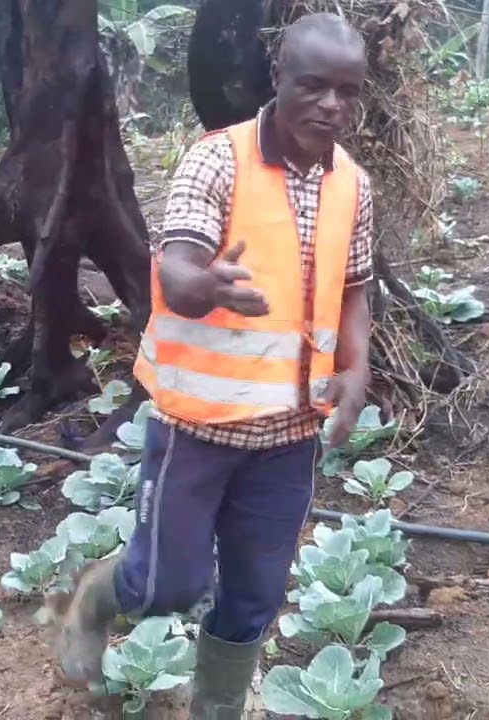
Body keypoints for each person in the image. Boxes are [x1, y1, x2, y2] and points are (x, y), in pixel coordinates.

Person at [52, 12, 378, 718]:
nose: (331, 106)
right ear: (278, 79)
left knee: (256, 594)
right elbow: (176, 262)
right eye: (314, 86)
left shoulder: (353, 184)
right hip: (199, 431)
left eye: (347, 92)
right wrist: (198, 287)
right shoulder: (217, 160)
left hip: (289, 436)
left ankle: (217, 707)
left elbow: (355, 287)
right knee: (169, 583)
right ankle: (94, 598)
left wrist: (357, 368)